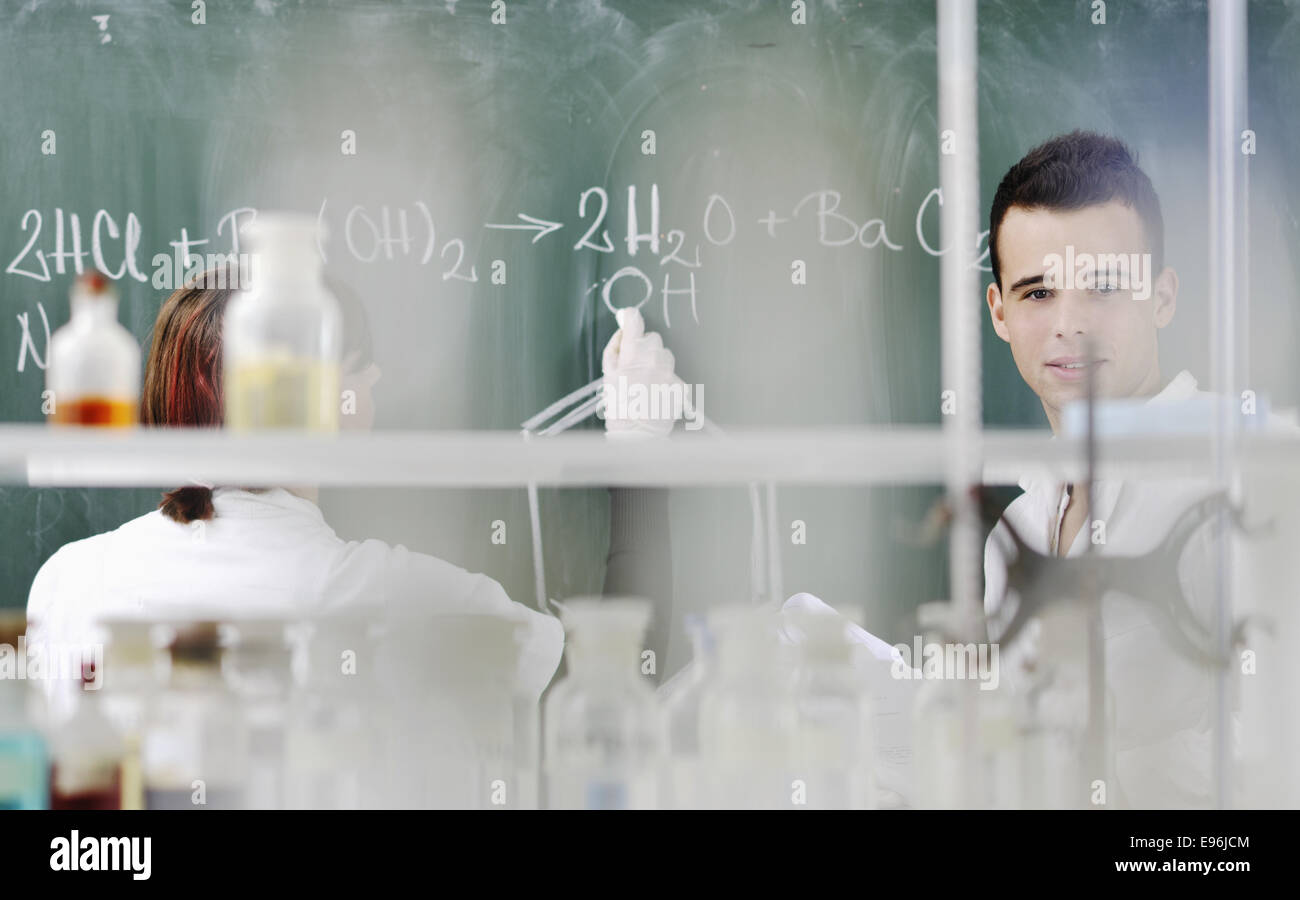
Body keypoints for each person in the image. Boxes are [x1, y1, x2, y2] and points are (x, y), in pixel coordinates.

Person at [25, 269, 562, 702]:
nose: (372, 381)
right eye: (354, 368)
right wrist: (641, 436)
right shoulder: (395, 595)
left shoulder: (68, 579)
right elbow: (599, 670)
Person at [983, 130, 1233, 808]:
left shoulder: (1238, 474)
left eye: (1103, 288)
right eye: (1038, 293)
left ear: (1162, 297)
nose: (1070, 325)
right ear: (999, 311)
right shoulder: (1015, 529)